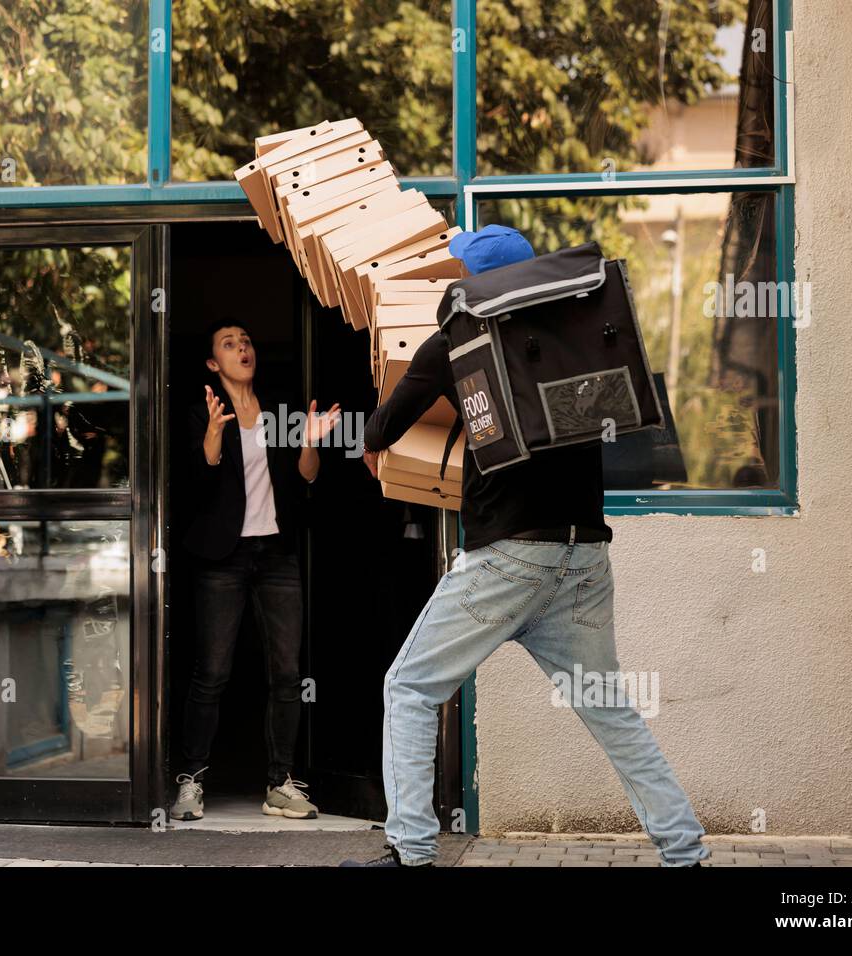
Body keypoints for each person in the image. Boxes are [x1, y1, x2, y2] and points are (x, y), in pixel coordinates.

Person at [342, 224, 710, 867]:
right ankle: (685, 851)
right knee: (611, 711)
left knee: (409, 687)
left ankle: (410, 850)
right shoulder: (574, 336)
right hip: (586, 555)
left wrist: (366, 445)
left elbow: (383, 427)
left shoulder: (457, 338)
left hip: (508, 556)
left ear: (476, 279)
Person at [171, 318, 341, 821]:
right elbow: (195, 483)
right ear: (212, 362)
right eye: (228, 343)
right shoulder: (201, 411)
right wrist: (211, 437)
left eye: (246, 341)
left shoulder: (278, 408)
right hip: (222, 557)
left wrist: (310, 440)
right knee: (212, 673)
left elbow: (305, 476)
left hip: (276, 555)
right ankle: (192, 780)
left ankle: (279, 784)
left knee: (287, 674)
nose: (242, 348)